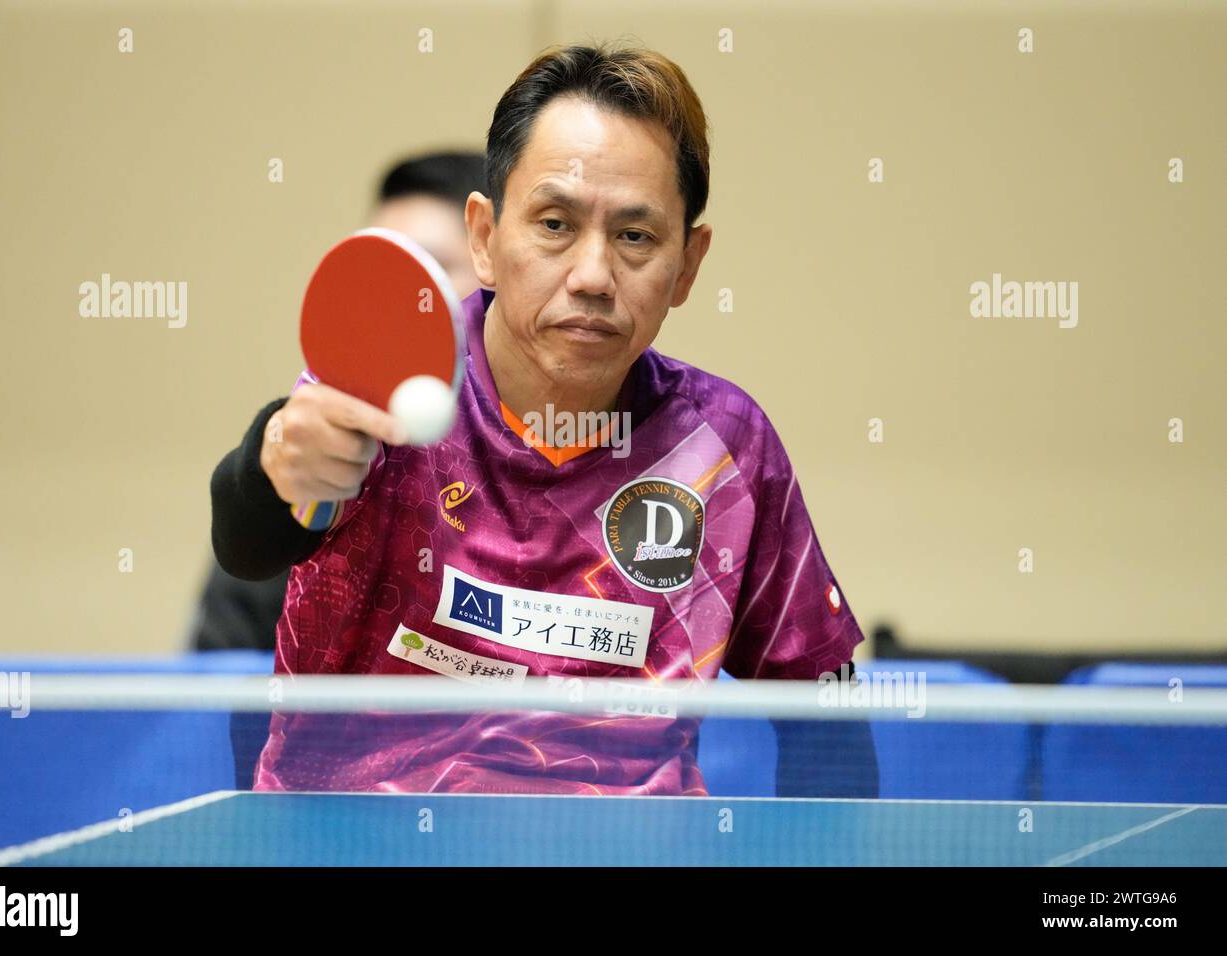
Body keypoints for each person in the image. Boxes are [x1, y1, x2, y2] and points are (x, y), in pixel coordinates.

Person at [211, 43, 877, 796]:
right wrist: (276, 457)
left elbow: (828, 710)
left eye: (635, 236)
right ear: (486, 238)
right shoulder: (389, 379)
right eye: (555, 224)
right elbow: (247, 538)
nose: (592, 276)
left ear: (688, 265)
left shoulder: (724, 451)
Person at [190, 151, 486, 654]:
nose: (400, 297)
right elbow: (222, 683)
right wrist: (270, 466)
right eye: (384, 268)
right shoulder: (320, 466)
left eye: (433, 271)